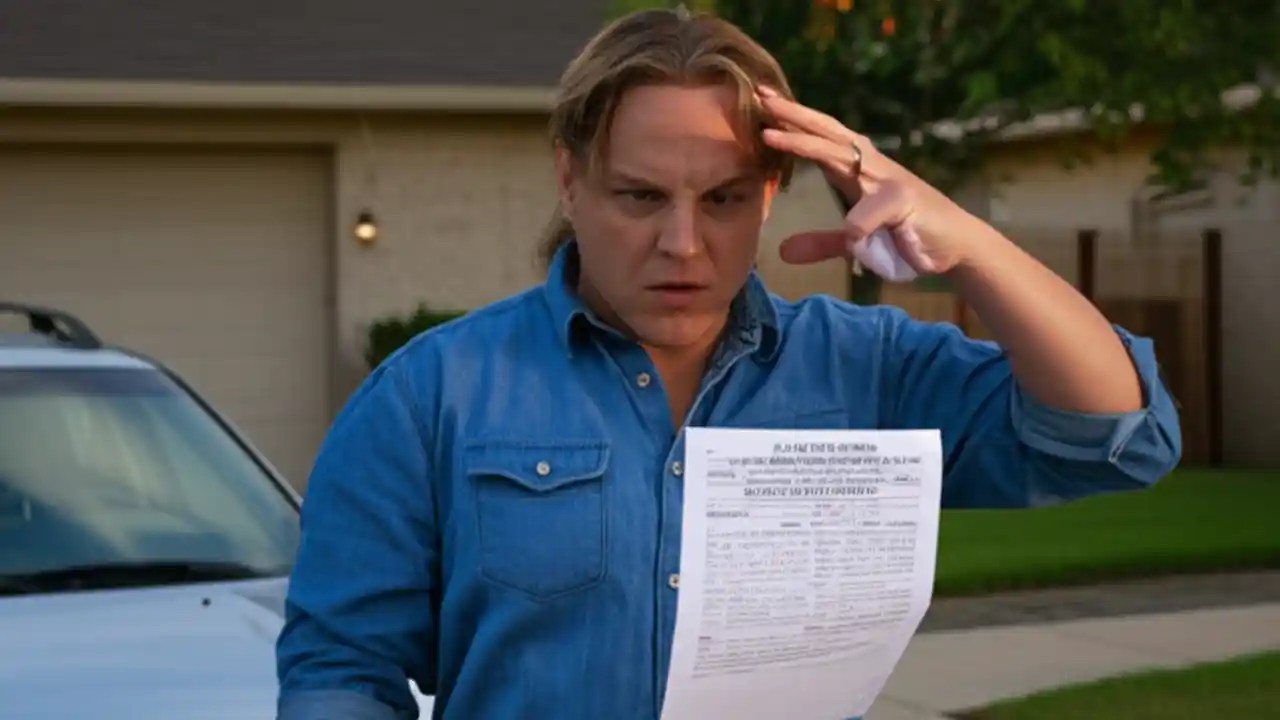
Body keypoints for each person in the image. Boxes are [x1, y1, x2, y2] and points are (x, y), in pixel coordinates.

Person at [275, 8, 1181, 720]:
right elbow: (343, 667)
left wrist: (971, 246)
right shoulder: (429, 397)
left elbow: (1118, 436)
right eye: (640, 197)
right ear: (569, 180)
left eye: (723, 199)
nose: (683, 243)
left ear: (770, 193)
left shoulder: (867, 372)